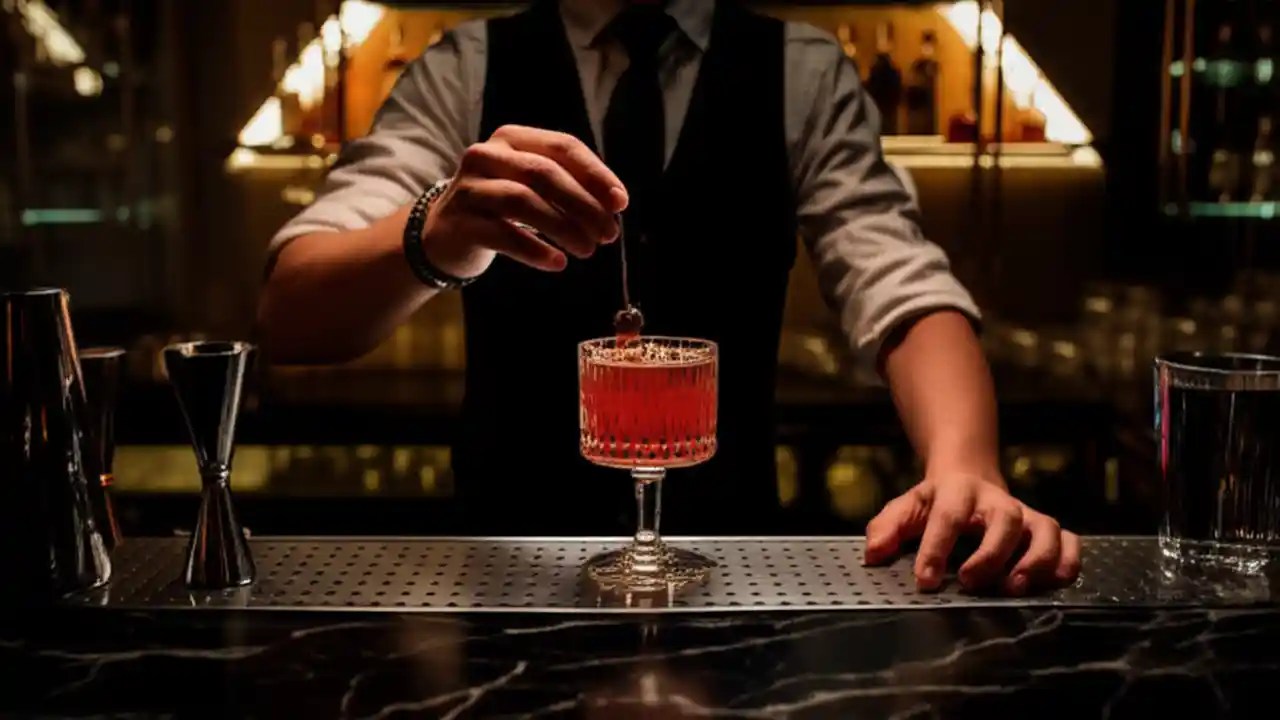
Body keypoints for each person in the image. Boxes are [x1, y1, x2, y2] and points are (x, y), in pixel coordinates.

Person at [258, 0, 1080, 595]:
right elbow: (290, 314)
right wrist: (434, 233)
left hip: (739, 581)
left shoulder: (801, 70)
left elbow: (898, 279)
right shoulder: (461, 68)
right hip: (504, 584)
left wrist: (966, 465)